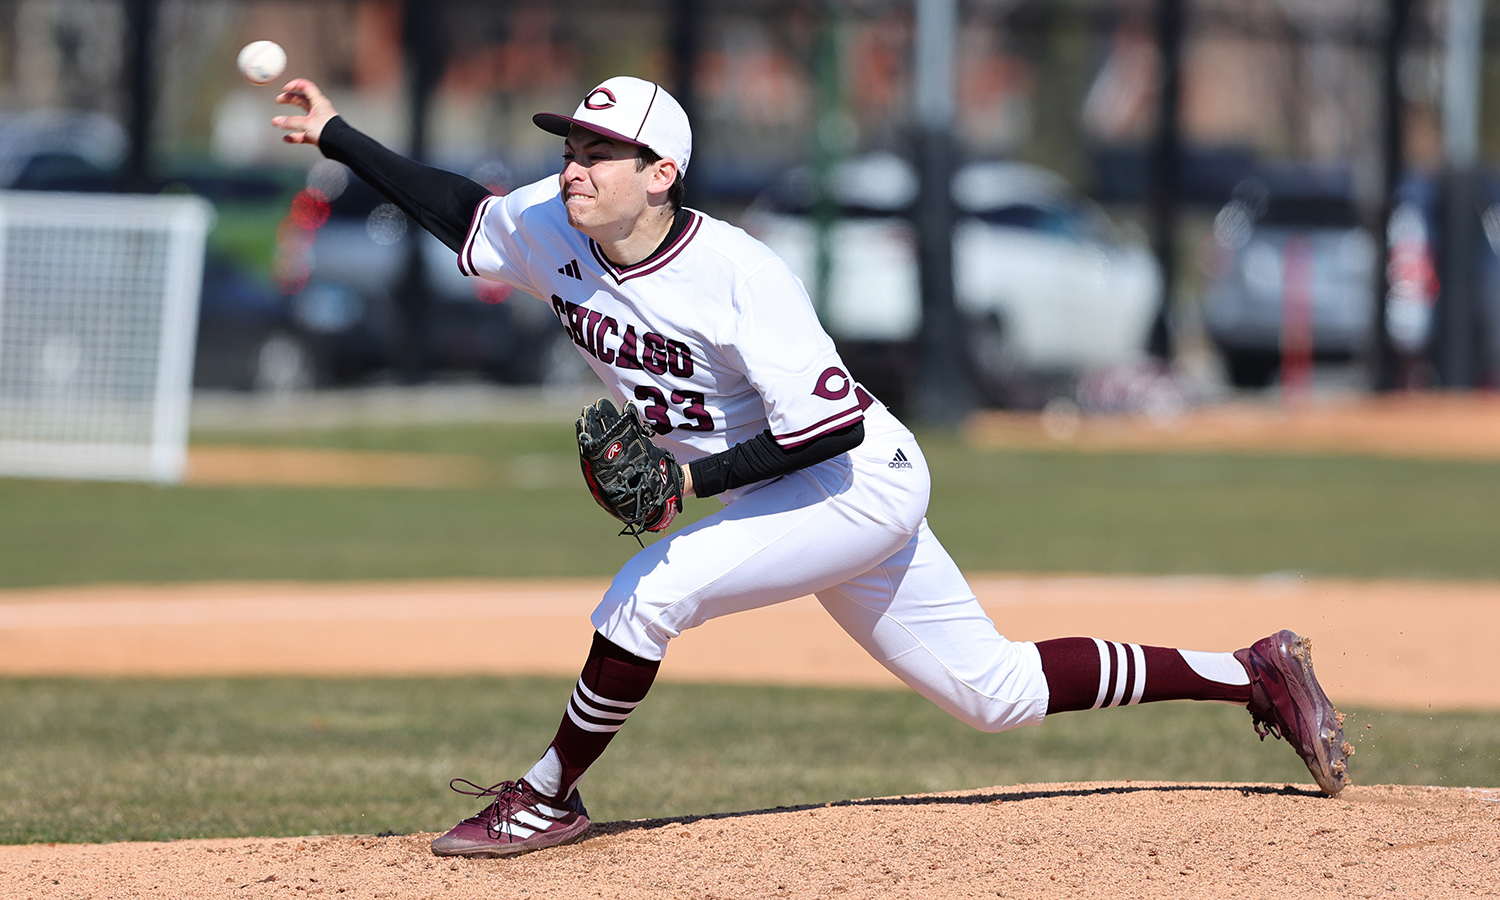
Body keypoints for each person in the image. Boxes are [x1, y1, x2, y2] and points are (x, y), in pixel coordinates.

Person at [271, 75, 1351, 859]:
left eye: (599, 151)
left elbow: (829, 428)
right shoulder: (554, 225)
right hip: (788, 493)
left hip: (853, 479)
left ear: (662, 174)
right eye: (571, 143)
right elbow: (459, 210)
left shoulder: (742, 275)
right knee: (994, 692)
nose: (575, 164)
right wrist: (338, 136)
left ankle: (550, 796)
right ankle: (1251, 670)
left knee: (651, 590)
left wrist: (689, 485)